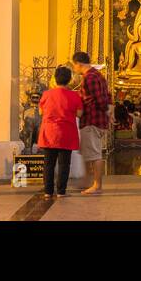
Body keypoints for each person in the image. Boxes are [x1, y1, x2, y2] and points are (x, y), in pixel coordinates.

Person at [37, 65, 83, 199]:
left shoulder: (46, 94)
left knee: (48, 164)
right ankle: (61, 191)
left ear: (55, 79)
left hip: (49, 132)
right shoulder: (74, 95)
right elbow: (79, 113)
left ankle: (48, 191)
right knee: (64, 163)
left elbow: (41, 111)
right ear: (69, 80)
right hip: (66, 133)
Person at [71, 50, 111, 195]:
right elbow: (108, 95)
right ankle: (87, 181)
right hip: (94, 119)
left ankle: (97, 185)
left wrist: (106, 110)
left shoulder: (90, 77)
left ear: (79, 64)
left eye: (74, 66)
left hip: (92, 119)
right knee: (87, 152)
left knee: (94, 155)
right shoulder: (98, 75)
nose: (74, 69)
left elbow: (101, 99)